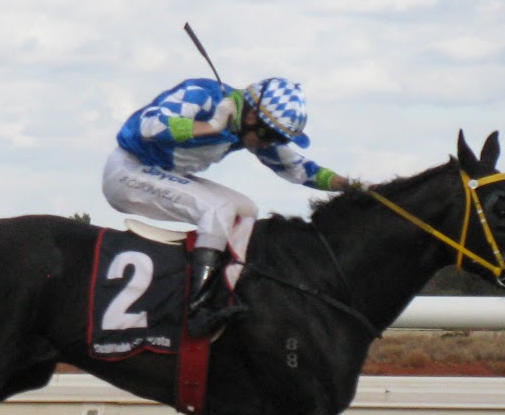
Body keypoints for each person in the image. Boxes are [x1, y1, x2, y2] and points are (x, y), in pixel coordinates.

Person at [102, 76, 352, 337]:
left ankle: (226, 289)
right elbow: (144, 127)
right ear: (252, 115)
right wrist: (210, 126)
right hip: (127, 171)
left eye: (279, 137)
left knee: (247, 210)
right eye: (270, 134)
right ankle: (197, 309)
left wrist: (349, 185)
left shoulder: (252, 128)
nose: (270, 143)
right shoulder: (203, 94)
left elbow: (299, 169)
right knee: (218, 209)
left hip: (160, 173)